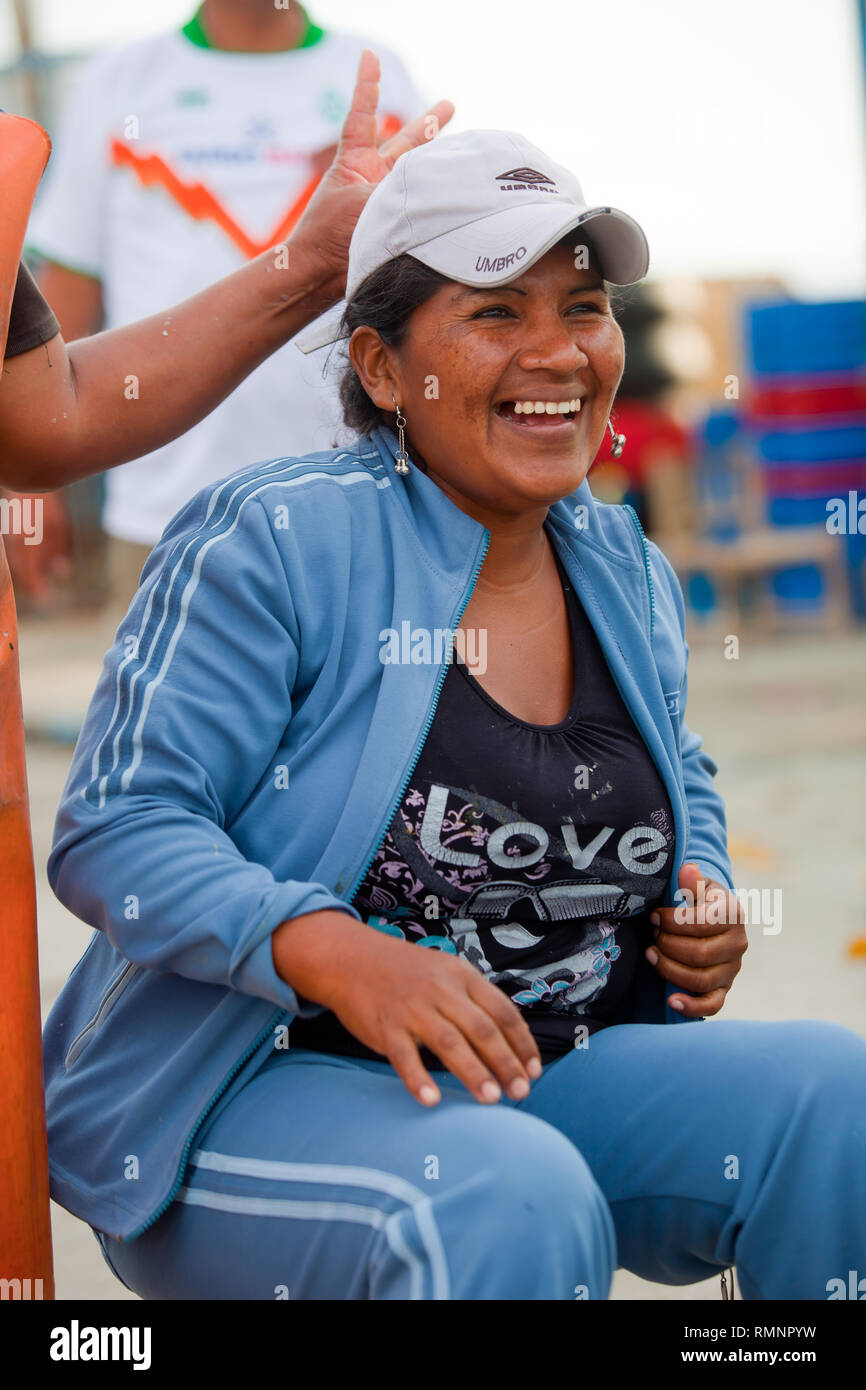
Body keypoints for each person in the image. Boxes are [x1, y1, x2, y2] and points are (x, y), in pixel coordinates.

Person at [43, 129, 866, 1301]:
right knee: (499, 1196)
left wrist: (700, 878)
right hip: (253, 1093)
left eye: (582, 306)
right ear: (382, 369)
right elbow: (118, 830)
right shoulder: (274, 542)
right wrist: (340, 955)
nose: (557, 352)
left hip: (534, 1074)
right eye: (494, 314)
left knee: (834, 1104)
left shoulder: (618, 559)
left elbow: (678, 765)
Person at [17, 0, 424, 614]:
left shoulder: (378, 72)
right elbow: (68, 285)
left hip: (362, 502)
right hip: (167, 514)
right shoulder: (118, 81)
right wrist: (26, 486)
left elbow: (424, 280)